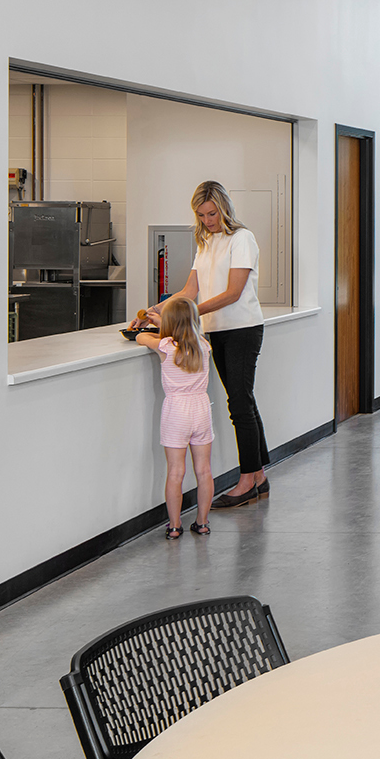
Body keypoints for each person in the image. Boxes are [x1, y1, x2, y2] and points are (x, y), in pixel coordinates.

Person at [134, 181, 268, 508]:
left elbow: (233, 292)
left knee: (238, 403)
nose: (207, 220)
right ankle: (260, 476)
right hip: (216, 330)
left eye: (212, 213)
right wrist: (159, 309)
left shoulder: (242, 239)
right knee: (242, 400)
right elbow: (190, 289)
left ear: (224, 208)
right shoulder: (206, 241)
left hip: (242, 328)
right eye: (201, 214)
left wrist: (185, 314)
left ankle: (248, 480)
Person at [132, 296, 214, 539]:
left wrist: (157, 326)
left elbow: (140, 337)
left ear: (168, 324)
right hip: (201, 408)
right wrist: (166, 323)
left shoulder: (166, 346)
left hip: (176, 411)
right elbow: (183, 332)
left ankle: (175, 526)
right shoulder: (203, 344)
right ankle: (202, 523)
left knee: (176, 472)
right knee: (204, 471)